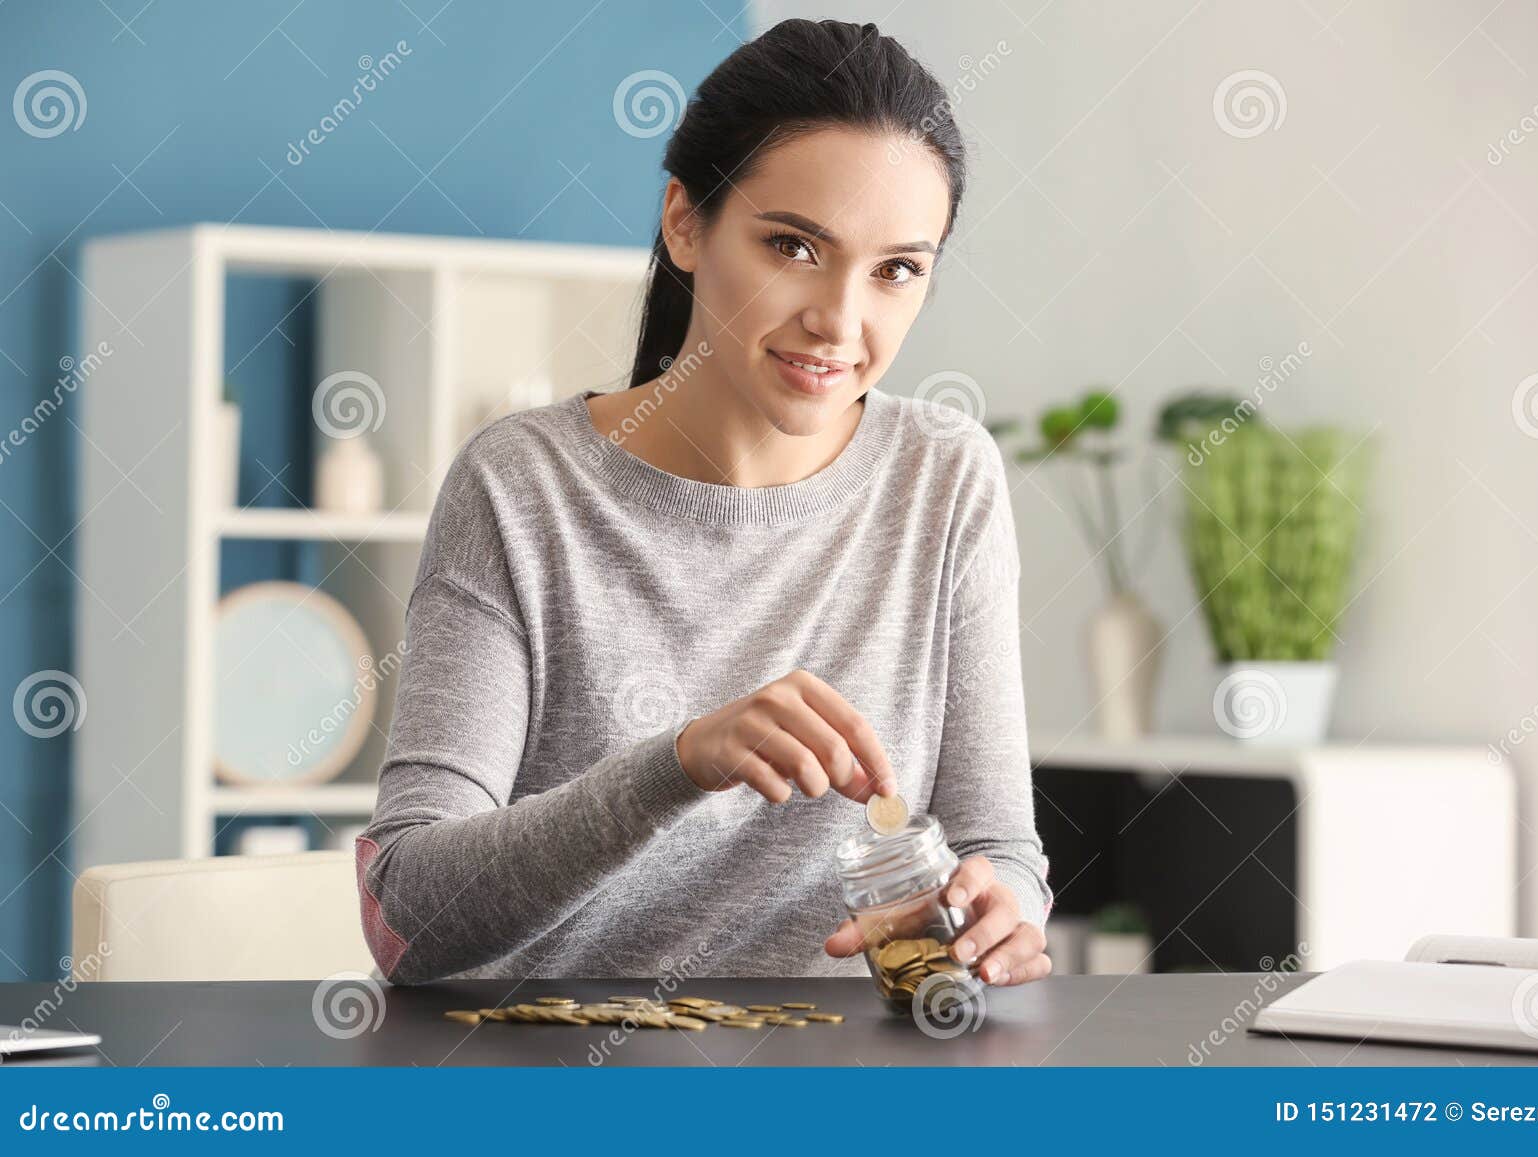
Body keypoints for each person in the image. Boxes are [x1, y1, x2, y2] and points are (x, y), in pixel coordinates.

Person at [355, 17, 1052, 988]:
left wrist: (999, 904)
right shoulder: (520, 487)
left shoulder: (945, 477)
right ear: (685, 221)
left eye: (897, 268)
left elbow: (996, 839)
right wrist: (675, 764)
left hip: (844, 1082)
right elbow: (408, 917)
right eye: (793, 247)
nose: (841, 320)